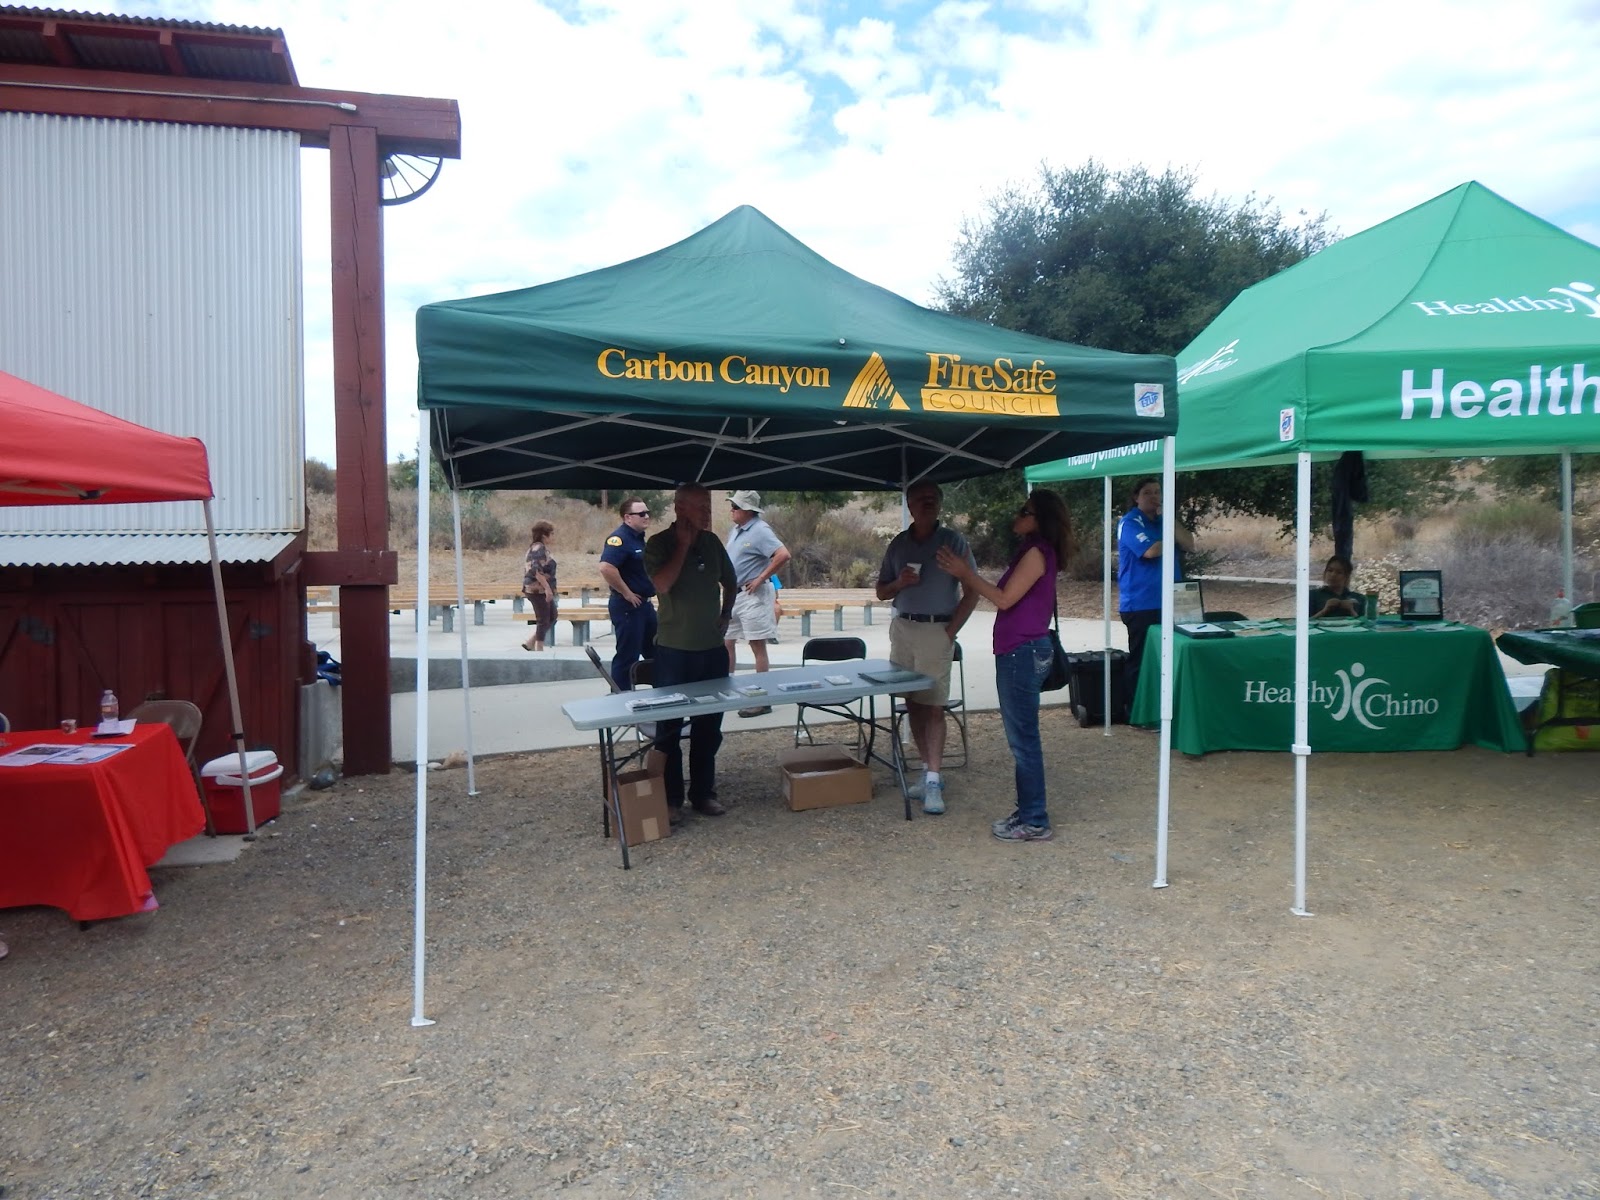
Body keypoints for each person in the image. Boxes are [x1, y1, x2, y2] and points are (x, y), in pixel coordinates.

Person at [937, 489, 1072, 842]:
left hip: (1021, 652)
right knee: (1023, 737)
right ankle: (1027, 811)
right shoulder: (1035, 550)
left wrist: (965, 573)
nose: (1018, 515)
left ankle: (1035, 819)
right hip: (1021, 650)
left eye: (1025, 511)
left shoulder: (1036, 553)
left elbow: (1004, 598)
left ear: (1040, 519)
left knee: (1023, 740)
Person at [875, 481, 978, 816]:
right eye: (920, 498)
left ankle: (934, 780)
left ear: (941, 504)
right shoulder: (899, 544)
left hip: (937, 629)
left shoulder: (953, 541)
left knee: (933, 706)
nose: (927, 502)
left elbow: (973, 590)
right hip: (903, 629)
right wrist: (899, 582)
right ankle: (925, 771)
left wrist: (950, 631)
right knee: (913, 703)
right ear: (909, 505)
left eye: (933, 498)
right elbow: (881, 591)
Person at [644, 483, 738, 822]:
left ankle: (703, 794)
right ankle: (671, 799)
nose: (707, 513)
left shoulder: (712, 543)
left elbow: (731, 581)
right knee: (669, 729)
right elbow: (662, 584)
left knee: (708, 728)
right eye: (701, 506)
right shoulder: (658, 544)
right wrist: (683, 545)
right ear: (680, 507)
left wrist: (726, 614)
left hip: (711, 651)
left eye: (708, 506)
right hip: (674, 652)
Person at [1117, 478, 1193, 704]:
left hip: (1173, 601)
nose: (1154, 497)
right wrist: (1171, 537)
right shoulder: (1130, 523)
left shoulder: (1164, 521)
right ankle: (1137, 710)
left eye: (1157, 492)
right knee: (1142, 660)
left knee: (1172, 656)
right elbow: (1150, 550)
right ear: (1136, 497)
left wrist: (1169, 520)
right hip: (1142, 604)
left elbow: (1189, 543)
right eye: (1147, 493)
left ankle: (1167, 707)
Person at [724, 490, 791, 717]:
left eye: (736, 506)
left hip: (752, 595)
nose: (732, 510)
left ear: (748, 510)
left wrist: (761, 578)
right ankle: (727, 691)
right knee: (726, 642)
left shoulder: (761, 530)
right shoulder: (736, 530)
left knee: (757, 645)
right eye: (732, 505)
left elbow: (783, 554)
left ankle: (763, 700)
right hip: (733, 595)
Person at [598, 497, 658, 690]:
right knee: (628, 655)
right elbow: (606, 567)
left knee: (656, 650)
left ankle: (661, 691)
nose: (646, 516)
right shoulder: (619, 539)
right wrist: (627, 593)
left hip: (644, 605)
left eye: (647, 512)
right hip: (628, 606)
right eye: (641, 514)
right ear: (627, 518)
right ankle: (621, 697)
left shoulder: (638, 538)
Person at [520, 521, 558, 652]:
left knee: (552, 616)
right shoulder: (538, 549)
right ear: (544, 535)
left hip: (542, 589)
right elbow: (536, 571)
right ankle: (539, 649)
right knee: (544, 619)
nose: (553, 536)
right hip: (537, 590)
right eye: (551, 534)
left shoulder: (541, 549)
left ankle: (530, 643)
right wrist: (547, 589)